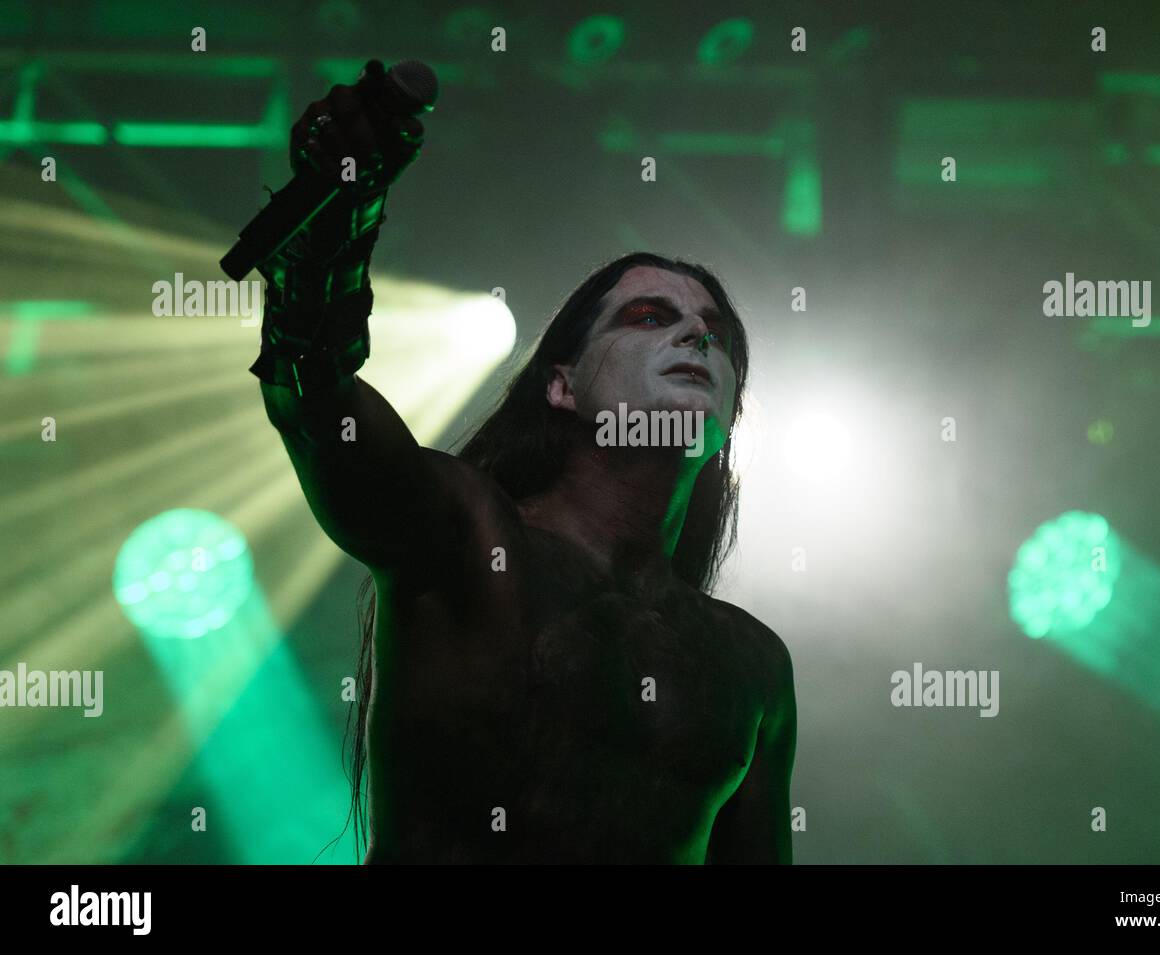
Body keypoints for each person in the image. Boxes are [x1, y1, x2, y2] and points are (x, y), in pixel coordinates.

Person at [250, 63, 796, 863]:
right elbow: (313, 392)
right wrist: (340, 212)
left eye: (716, 333)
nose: (696, 337)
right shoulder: (468, 532)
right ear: (561, 384)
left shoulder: (753, 664)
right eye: (651, 316)